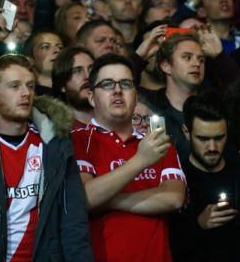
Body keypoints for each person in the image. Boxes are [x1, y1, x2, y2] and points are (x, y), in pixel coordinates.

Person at [0, 54, 92, 261]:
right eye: (14, 86)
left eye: (30, 85)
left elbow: (72, 215)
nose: (26, 93)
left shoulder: (56, 142)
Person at [72, 54, 186, 262]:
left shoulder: (157, 141)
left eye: (125, 84)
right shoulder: (78, 140)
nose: (117, 90)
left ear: (135, 93)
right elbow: (83, 198)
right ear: (91, 97)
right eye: (107, 84)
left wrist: (107, 199)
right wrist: (140, 161)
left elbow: (174, 199)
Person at [171, 91, 240, 262]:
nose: (212, 147)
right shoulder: (174, 178)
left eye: (219, 138)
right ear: (186, 132)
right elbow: (167, 245)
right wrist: (199, 225)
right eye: (203, 139)